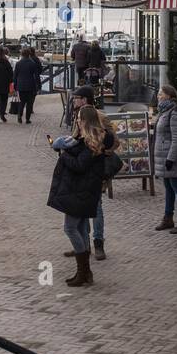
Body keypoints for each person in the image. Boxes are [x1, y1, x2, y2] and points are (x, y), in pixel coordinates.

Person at [47, 106, 115, 287]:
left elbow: (79, 165)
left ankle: (84, 270)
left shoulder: (93, 141)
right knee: (81, 227)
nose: (77, 120)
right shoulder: (85, 139)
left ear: (86, 121)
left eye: (79, 118)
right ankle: (84, 273)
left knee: (70, 228)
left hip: (82, 192)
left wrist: (63, 155)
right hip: (82, 190)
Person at [153, 84, 177, 233]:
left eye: (160, 93)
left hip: (171, 158)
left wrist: (170, 159)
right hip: (164, 156)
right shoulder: (165, 110)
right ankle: (168, 218)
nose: (158, 96)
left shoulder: (174, 113)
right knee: (168, 188)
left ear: (169, 96)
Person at [13, 45, 43, 124]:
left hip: (21, 85)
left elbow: (15, 75)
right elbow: (36, 76)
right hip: (30, 85)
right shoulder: (32, 63)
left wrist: (15, 87)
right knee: (29, 103)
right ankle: (27, 119)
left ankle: (19, 116)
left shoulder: (18, 63)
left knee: (22, 102)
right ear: (29, 54)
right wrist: (39, 86)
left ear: (22, 54)